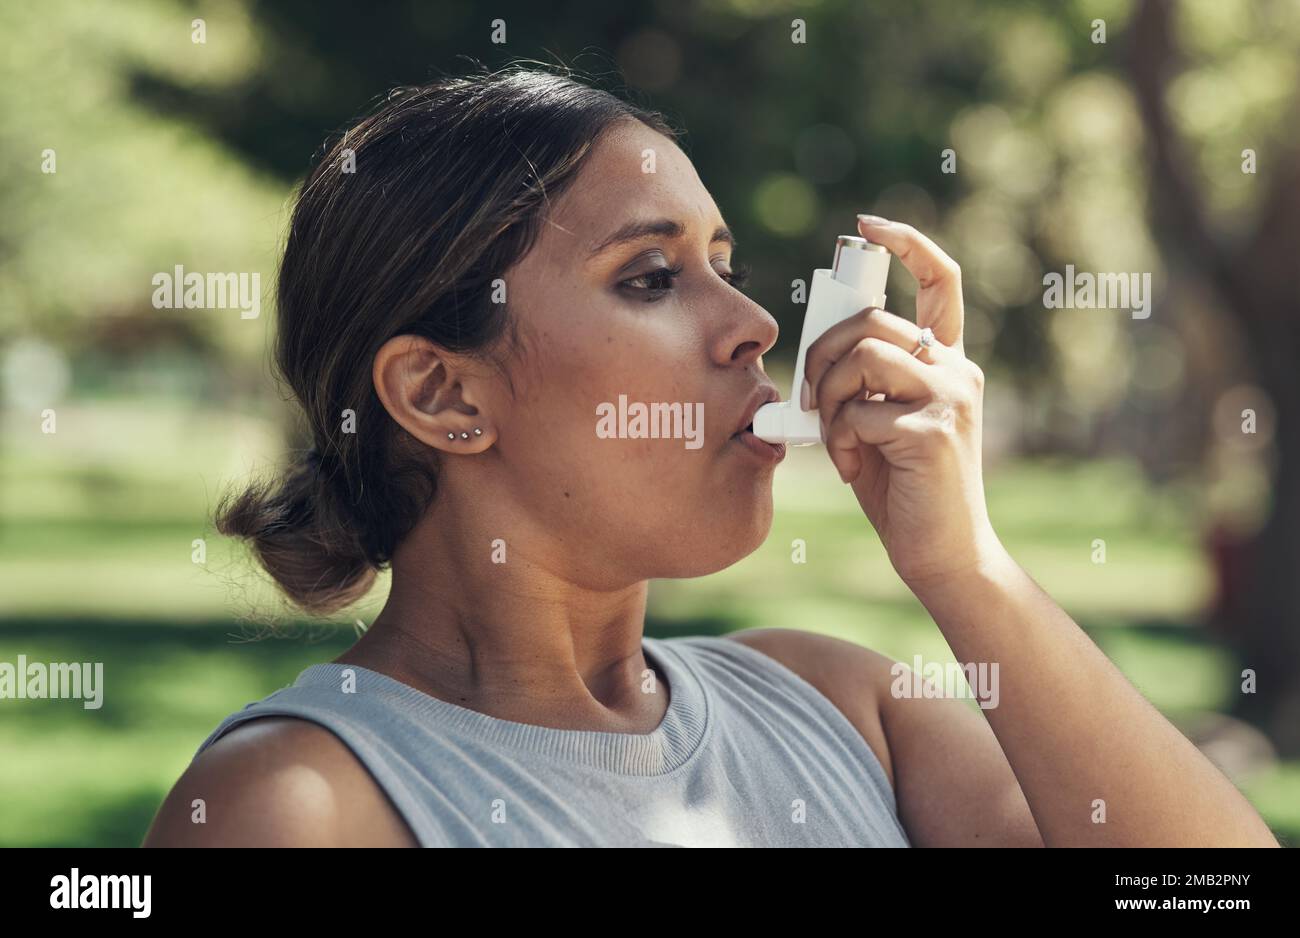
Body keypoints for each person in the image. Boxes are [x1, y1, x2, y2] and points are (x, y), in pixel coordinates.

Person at [142, 64, 1278, 848]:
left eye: (723, 263)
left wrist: (966, 567)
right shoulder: (299, 805)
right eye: (650, 277)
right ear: (443, 391)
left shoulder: (846, 707)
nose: (753, 325)